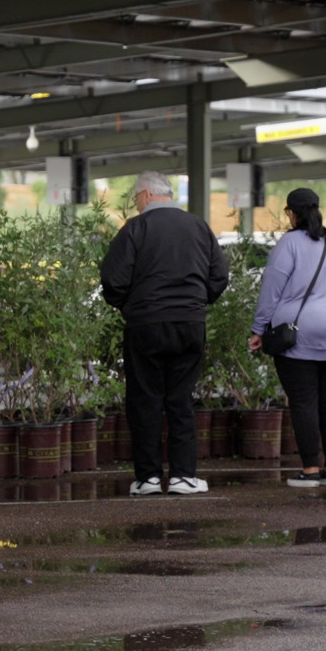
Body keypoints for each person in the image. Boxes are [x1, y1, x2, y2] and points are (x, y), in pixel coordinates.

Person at [100, 171, 230, 496]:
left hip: (145, 325)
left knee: (145, 400)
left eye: (135, 199)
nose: (136, 204)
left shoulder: (135, 228)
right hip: (190, 324)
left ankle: (148, 478)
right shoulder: (199, 226)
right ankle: (185, 476)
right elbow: (220, 275)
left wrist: (133, 308)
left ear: (144, 196)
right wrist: (198, 303)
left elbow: (112, 281)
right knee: (181, 400)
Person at [248, 188, 326, 488]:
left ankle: (310, 469)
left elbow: (271, 289)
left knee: (304, 401)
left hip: (303, 331)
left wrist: (259, 328)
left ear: (291, 213)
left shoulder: (290, 244)